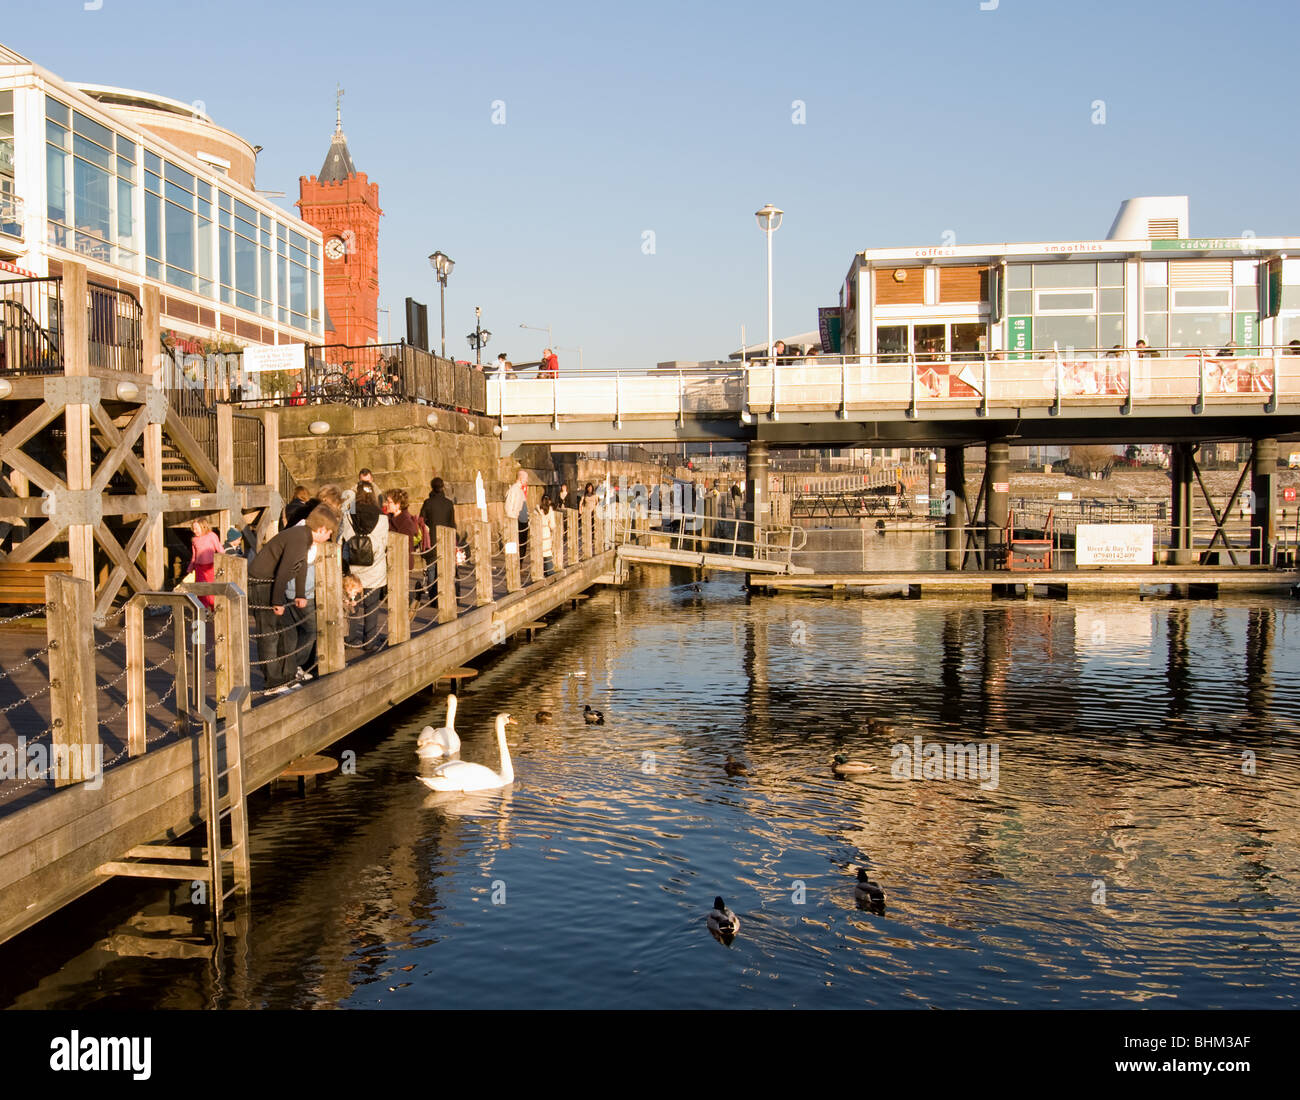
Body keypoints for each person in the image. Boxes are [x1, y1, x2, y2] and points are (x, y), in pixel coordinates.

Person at [249, 505, 339, 695]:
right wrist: (277, 602)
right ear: (321, 529)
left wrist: (300, 594)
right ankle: (272, 682)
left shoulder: (305, 538)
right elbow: (283, 572)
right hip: (261, 582)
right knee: (269, 633)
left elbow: (301, 567)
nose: (329, 537)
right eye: (329, 532)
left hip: (273, 583)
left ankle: (287, 675)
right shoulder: (299, 538)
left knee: (288, 631)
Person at [347, 500, 388, 652]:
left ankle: (349, 640)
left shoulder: (350, 515)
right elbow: (384, 542)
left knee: (352, 608)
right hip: (375, 572)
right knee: (371, 608)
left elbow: (342, 539)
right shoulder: (382, 518)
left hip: (354, 573)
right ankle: (369, 642)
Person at [384, 488, 430, 607]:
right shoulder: (389, 518)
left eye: (389, 502)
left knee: (399, 597)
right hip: (391, 562)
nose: (386, 504)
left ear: (398, 504)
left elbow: (405, 548)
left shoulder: (405, 522)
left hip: (400, 562)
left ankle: (411, 605)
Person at [186, 518, 223, 610]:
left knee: (211, 588)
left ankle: (214, 608)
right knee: (200, 589)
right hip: (199, 568)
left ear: (203, 526)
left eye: (196, 528)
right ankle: (203, 609)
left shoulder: (211, 535)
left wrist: (226, 560)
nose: (194, 531)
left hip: (211, 567)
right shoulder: (194, 540)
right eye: (193, 529)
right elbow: (194, 555)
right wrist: (190, 567)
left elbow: (219, 549)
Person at [505, 469, 529, 558]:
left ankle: (520, 566)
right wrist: (514, 520)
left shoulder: (520, 490)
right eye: (525, 478)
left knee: (523, 547)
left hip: (523, 522)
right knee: (518, 548)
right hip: (517, 523)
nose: (527, 480)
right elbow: (508, 508)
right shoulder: (513, 490)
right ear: (520, 478)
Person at [538, 494, 557, 577]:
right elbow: (552, 524)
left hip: (538, 532)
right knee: (547, 552)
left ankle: (540, 572)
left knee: (539, 553)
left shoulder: (537, 510)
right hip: (546, 531)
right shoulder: (550, 510)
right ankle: (549, 571)